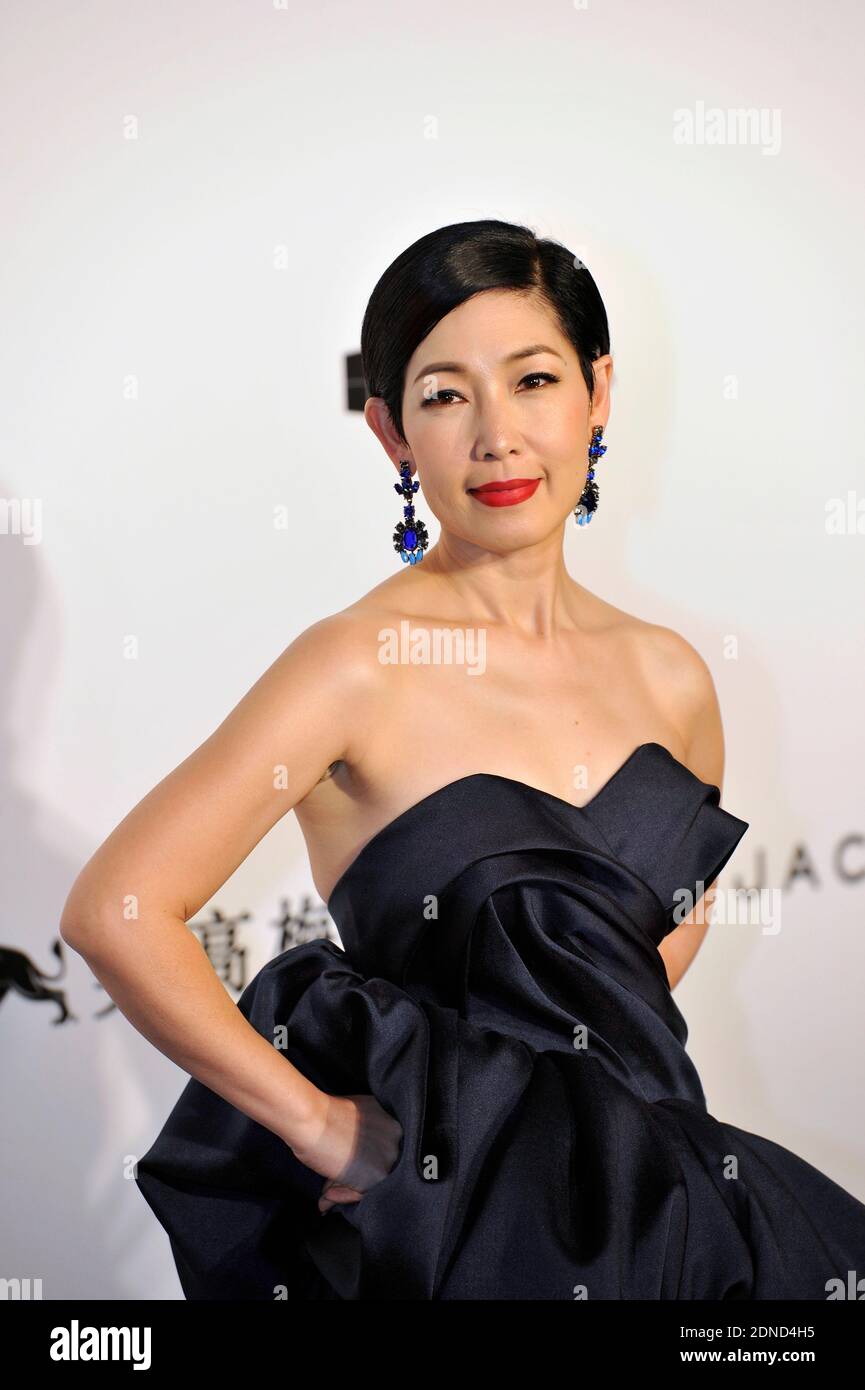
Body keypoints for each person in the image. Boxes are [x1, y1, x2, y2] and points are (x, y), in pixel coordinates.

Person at [61, 219, 865, 1300]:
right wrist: (320, 1125)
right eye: (445, 395)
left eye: (533, 379)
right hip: (462, 1226)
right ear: (391, 432)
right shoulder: (352, 666)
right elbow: (117, 909)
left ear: (599, 391)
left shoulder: (673, 678)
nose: (496, 436)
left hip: (667, 1210)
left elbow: (637, 959)